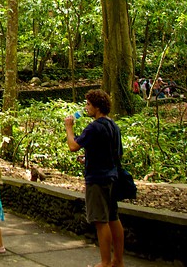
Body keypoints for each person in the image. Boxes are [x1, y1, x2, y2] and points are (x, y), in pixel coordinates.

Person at [64, 89, 124, 267]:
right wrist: (89, 157)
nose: (86, 108)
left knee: (100, 221)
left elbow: (73, 146)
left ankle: (105, 262)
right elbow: (115, 152)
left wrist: (69, 128)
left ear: (97, 107)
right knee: (113, 218)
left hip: (97, 179)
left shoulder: (94, 127)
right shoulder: (113, 126)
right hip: (112, 177)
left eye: (89, 104)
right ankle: (118, 261)